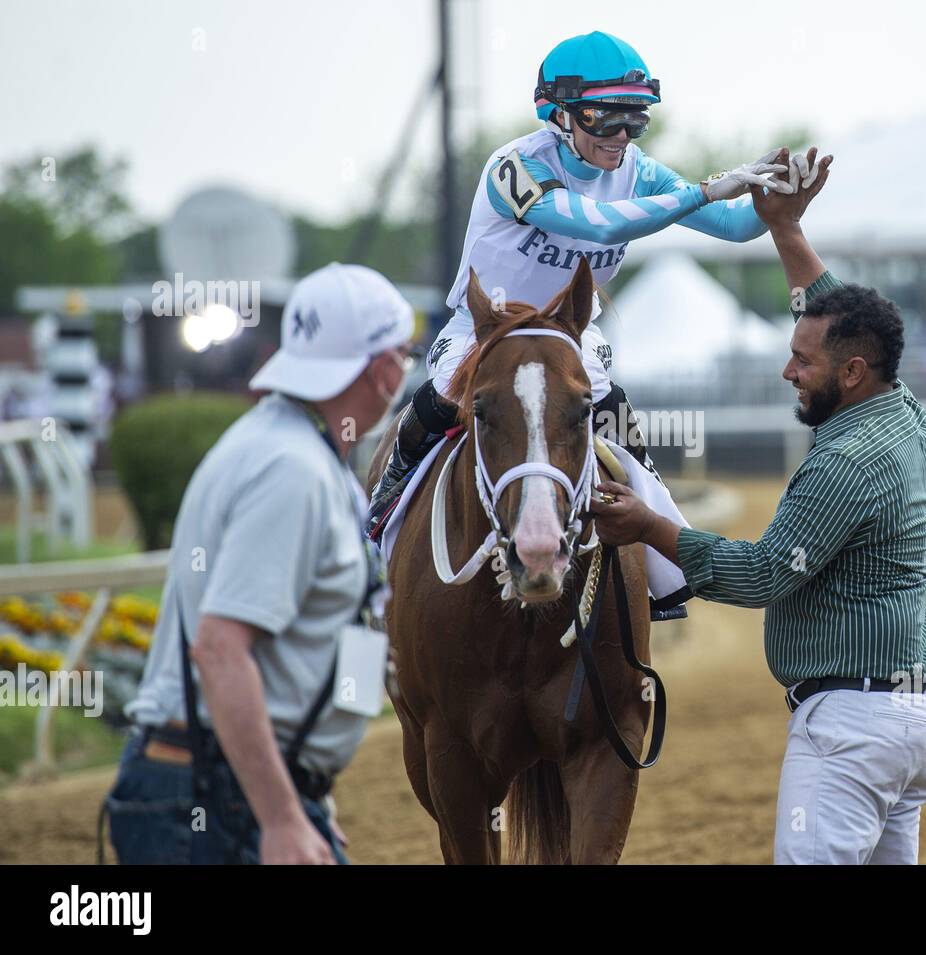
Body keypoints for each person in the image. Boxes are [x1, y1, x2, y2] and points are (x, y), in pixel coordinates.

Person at [590, 153, 926, 865]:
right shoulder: (904, 410)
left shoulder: (845, 463)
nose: (788, 369)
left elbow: (758, 576)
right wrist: (785, 228)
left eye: (802, 362)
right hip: (913, 721)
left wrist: (650, 526)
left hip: (849, 730)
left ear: (851, 372)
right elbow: (829, 306)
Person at [365, 30, 808, 580]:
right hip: (486, 330)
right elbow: (593, 226)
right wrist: (702, 190)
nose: (622, 136)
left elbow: (733, 227)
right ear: (559, 114)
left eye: (636, 119)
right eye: (605, 119)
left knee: (620, 425)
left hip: (570, 337)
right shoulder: (515, 167)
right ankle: (383, 509)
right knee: (438, 397)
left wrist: (780, 205)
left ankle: (667, 572)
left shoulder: (637, 169)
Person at [102, 263, 414, 865]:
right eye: (404, 352)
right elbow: (220, 649)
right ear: (381, 372)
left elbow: (347, 629)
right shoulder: (292, 471)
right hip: (214, 802)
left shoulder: (299, 453)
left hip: (238, 790)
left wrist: (311, 792)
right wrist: (282, 816)